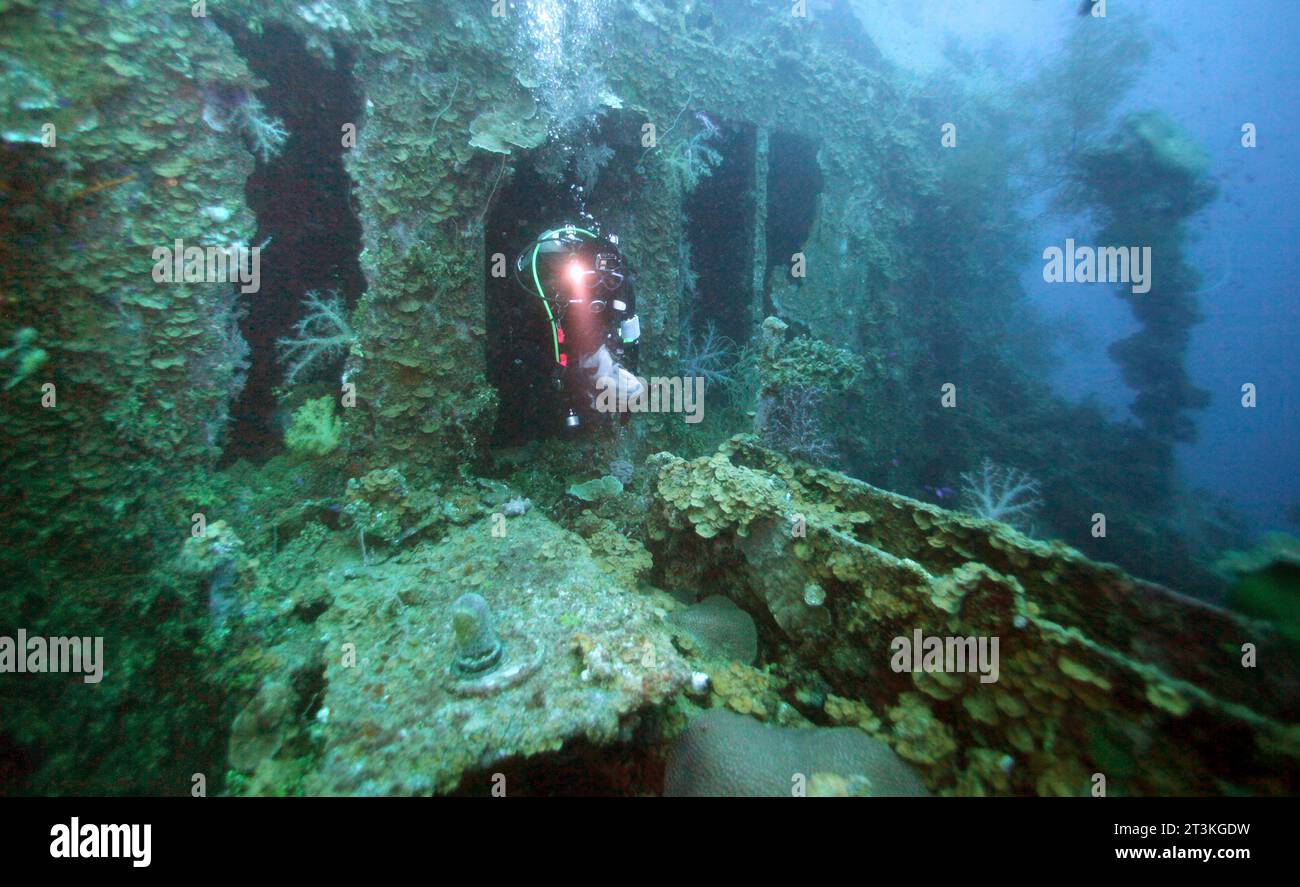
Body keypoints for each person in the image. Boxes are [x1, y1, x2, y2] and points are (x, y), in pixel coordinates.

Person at [513, 224, 643, 430]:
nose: (601, 287)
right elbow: (520, 347)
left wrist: (632, 373)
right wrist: (560, 372)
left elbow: (630, 333)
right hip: (555, 350)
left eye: (610, 280)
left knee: (633, 391)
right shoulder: (554, 291)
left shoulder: (622, 286)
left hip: (593, 348)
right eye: (592, 279)